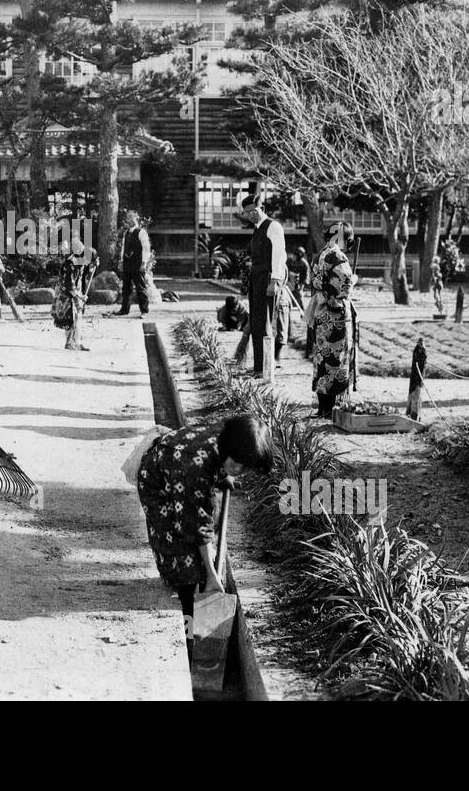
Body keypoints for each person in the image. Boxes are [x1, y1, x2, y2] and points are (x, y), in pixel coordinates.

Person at [134, 414, 274, 664]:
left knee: (208, 523)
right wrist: (210, 573)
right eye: (237, 463)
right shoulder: (195, 467)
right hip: (159, 481)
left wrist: (225, 474)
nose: (240, 470)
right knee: (180, 551)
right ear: (229, 448)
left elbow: (204, 513)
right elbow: (195, 523)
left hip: (186, 469)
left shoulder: (230, 438)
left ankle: (200, 606)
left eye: (245, 467)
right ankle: (189, 625)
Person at [308, 221, 358, 419]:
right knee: (336, 361)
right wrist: (353, 281)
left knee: (322, 359)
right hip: (336, 315)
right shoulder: (338, 256)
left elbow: (314, 280)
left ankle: (323, 408)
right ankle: (330, 410)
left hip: (321, 313)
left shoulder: (322, 254)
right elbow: (344, 285)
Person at [236, 194, 286, 375]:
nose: (251, 215)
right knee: (256, 323)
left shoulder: (273, 226)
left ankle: (266, 369)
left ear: (261, 208)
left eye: (254, 211)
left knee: (264, 323)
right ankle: (258, 368)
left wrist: (274, 281)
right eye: (247, 212)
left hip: (268, 278)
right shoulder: (256, 228)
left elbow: (279, 255)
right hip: (256, 278)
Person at [54, 239, 99, 351]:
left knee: (79, 316)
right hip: (66, 293)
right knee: (70, 317)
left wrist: (94, 264)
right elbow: (69, 284)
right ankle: (69, 342)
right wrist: (80, 296)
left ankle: (77, 342)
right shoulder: (70, 264)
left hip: (77, 292)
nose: (87, 264)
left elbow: (86, 273)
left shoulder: (82, 262)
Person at [113, 211, 152, 317]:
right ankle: (124, 310)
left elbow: (146, 248)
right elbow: (123, 248)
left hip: (138, 263)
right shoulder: (126, 233)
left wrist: (144, 263)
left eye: (132, 217)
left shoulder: (141, 232)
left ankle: (144, 311)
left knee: (140, 287)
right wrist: (121, 261)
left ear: (136, 218)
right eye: (128, 218)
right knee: (126, 288)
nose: (129, 220)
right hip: (127, 263)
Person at [286, 245, 310, 309]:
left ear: (299, 255)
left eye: (295, 255)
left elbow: (306, 276)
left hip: (299, 281)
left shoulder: (304, 264)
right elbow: (285, 270)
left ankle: (302, 310)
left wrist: (301, 285)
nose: (293, 256)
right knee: (288, 295)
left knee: (299, 294)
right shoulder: (289, 261)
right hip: (290, 280)